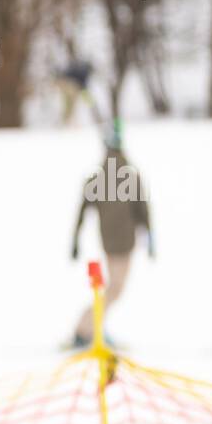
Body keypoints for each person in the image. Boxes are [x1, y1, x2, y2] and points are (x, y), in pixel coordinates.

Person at [69, 119, 155, 348]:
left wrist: (75, 240)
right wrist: (150, 236)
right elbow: (143, 210)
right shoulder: (130, 175)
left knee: (112, 287)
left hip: (107, 241)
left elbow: (82, 209)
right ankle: (86, 328)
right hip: (125, 243)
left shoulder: (97, 177)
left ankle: (92, 328)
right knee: (115, 288)